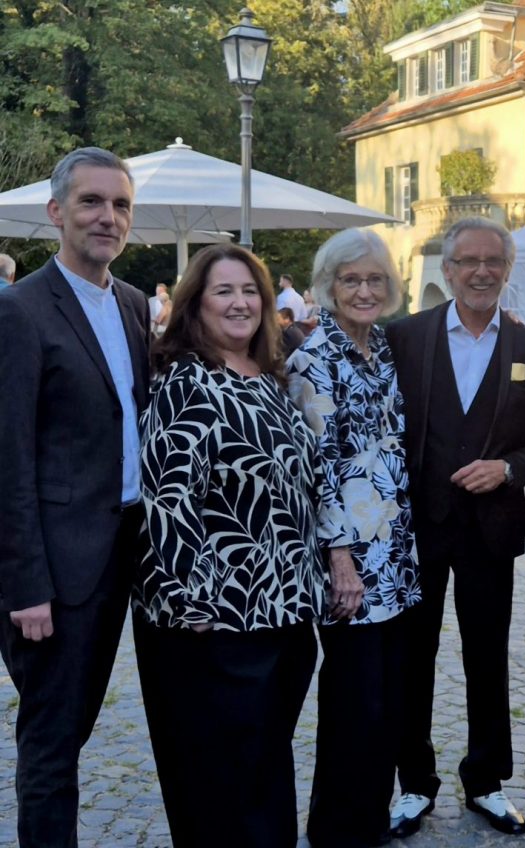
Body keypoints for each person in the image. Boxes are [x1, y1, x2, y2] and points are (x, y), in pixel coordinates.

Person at [133, 243, 328, 848]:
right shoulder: (188, 382)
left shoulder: (268, 378)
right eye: (224, 291)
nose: (241, 302)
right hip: (215, 621)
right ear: (195, 302)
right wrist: (190, 600)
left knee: (264, 768)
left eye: (251, 291)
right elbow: (167, 496)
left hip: (283, 610)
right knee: (219, 780)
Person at [385, 217, 525, 838]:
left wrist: (509, 468)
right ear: (447, 270)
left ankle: (485, 780)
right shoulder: (403, 337)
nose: (481, 271)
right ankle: (413, 783)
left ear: (507, 269)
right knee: (413, 656)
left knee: (489, 658)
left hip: (491, 529)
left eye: (493, 261)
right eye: (468, 261)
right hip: (418, 527)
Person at [0, 147, 149, 846]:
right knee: (51, 744)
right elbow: (8, 461)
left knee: (76, 724)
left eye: (119, 205)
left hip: (123, 554)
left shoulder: (134, 305)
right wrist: (24, 585)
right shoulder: (20, 311)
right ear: (56, 213)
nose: (107, 217)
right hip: (54, 573)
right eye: (91, 202)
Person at [287, 229, 421, 848]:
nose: (364, 291)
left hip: (394, 555)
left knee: (387, 701)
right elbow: (317, 468)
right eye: (351, 280)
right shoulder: (315, 359)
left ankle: (364, 820)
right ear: (328, 288)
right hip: (350, 566)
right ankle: (339, 831)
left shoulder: (384, 348)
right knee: (354, 704)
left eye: (374, 280)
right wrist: (340, 561)